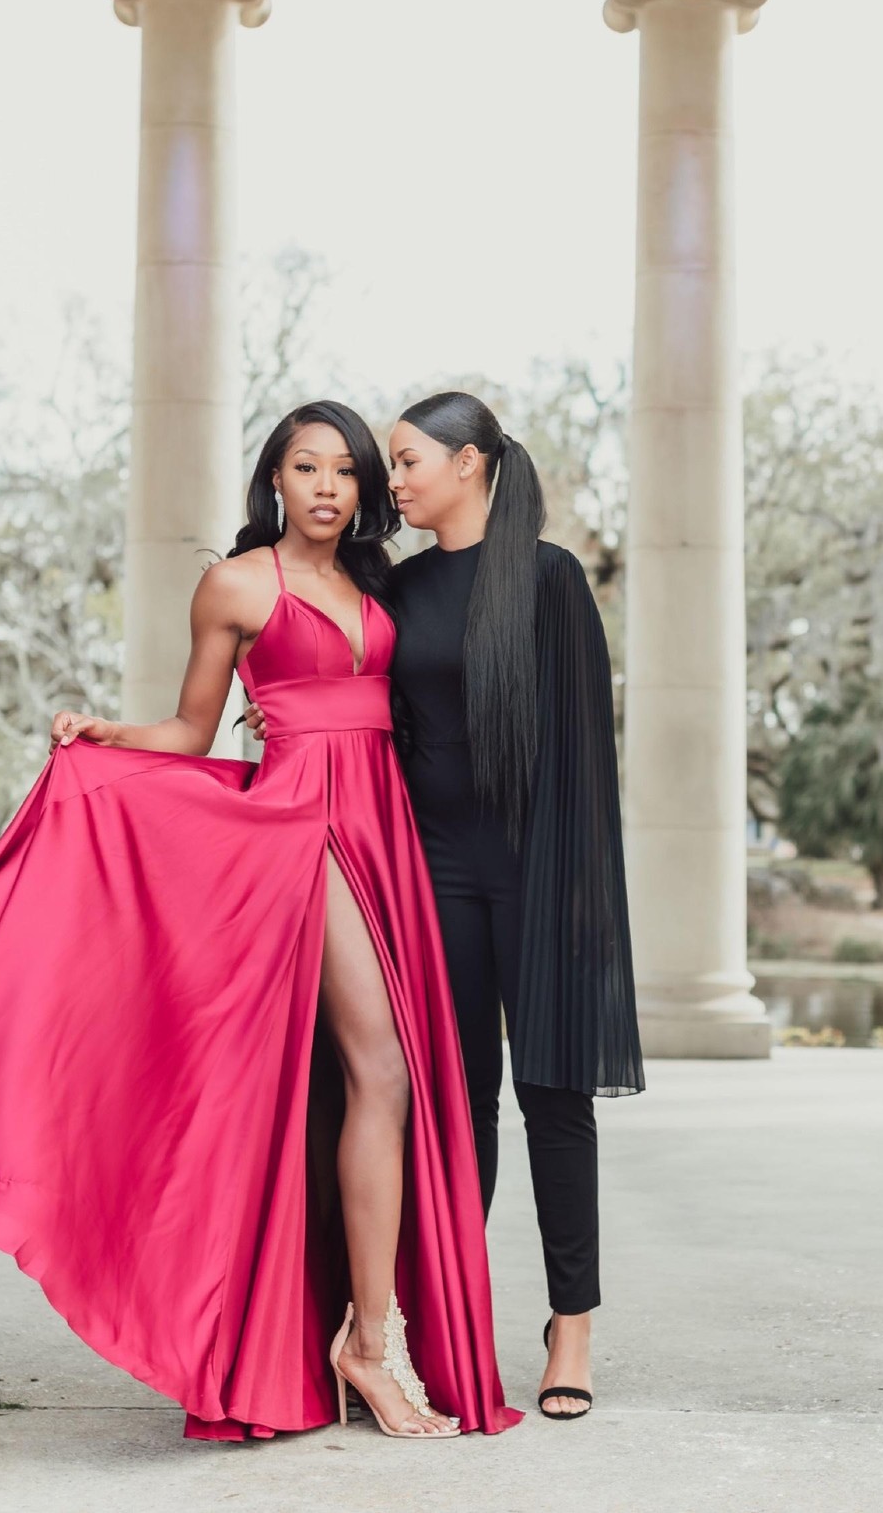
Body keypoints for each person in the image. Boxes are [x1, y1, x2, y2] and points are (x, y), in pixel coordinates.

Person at [0, 401, 521, 1443]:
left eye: (345, 471)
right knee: (383, 1069)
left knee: (374, 1082)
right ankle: (368, 1340)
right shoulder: (236, 581)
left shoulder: (375, 583)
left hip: (386, 818)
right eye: (305, 466)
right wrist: (104, 734)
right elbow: (190, 722)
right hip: (304, 828)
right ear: (274, 477)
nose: (325, 486)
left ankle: (350, 1327)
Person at [252, 391, 644, 1421]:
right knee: (455, 1104)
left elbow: (584, 760)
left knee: (552, 1100)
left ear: (470, 463)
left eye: (409, 459)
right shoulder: (396, 585)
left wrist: (584, 902)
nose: (394, 479)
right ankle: (446, 1319)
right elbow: (352, 683)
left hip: (539, 871)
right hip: (430, 873)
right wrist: (285, 701)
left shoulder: (551, 581)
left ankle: (572, 1327)